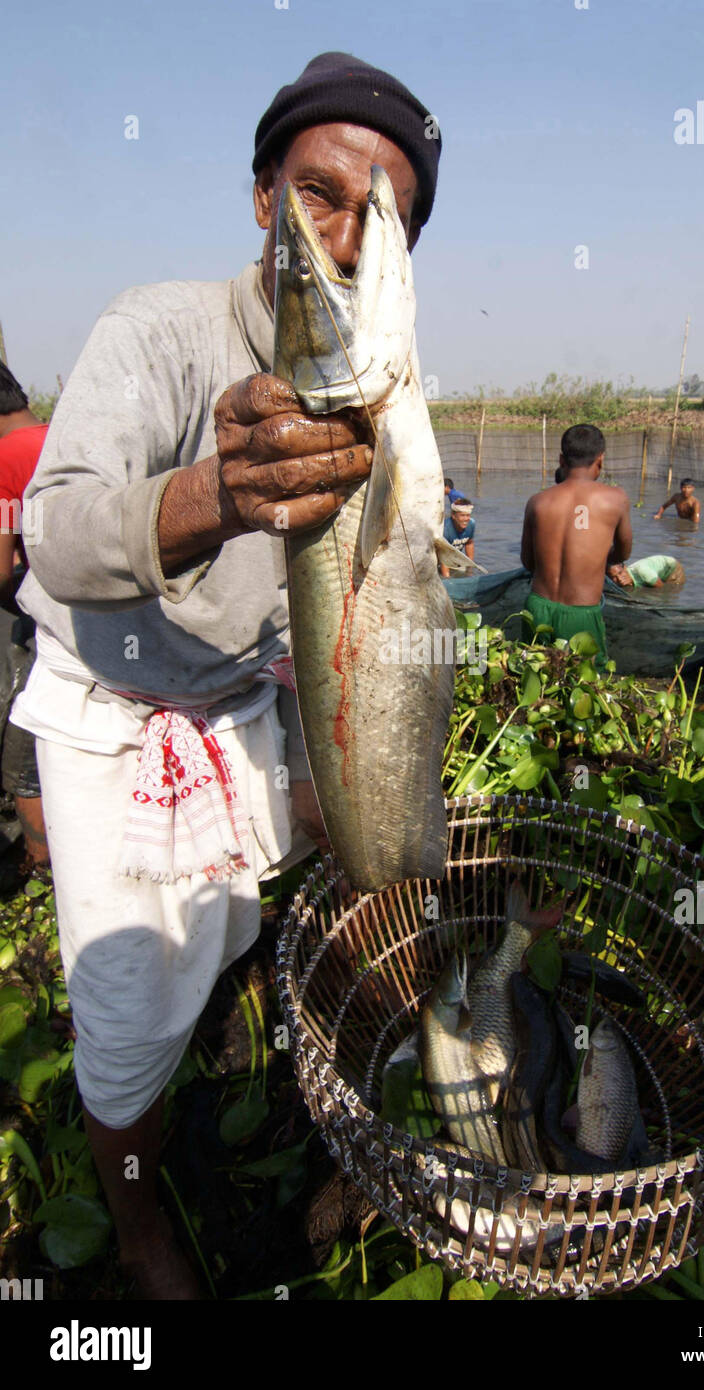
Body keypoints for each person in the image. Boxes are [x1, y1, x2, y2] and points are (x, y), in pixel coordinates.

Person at [10, 50, 442, 1299]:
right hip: (115, 711)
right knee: (134, 1023)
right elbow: (56, 530)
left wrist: (326, 757)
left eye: (382, 215)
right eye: (319, 194)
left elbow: (358, 616)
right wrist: (214, 494)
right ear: (263, 196)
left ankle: (297, 1072)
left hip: (249, 693)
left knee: (284, 900)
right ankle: (140, 1226)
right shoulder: (158, 328)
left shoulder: (397, 390)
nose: (347, 236)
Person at [520, 424, 632, 666]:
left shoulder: (537, 502)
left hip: (537, 606)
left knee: (532, 677)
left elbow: (528, 562)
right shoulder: (616, 499)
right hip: (581, 614)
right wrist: (600, 557)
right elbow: (624, 552)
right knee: (586, 687)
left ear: (561, 459)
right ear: (600, 460)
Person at [0, 364, 50, 867]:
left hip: (58, 627)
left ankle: (42, 871)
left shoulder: (3, 460)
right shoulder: (65, 434)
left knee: (25, 760)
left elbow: (0, 570)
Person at [438, 499, 475, 577]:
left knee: (464, 573)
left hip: (454, 559)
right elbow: (444, 557)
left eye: (468, 515)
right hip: (439, 560)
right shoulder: (445, 529)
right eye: (462, 515)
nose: (466, 519)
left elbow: (469, 543)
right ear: (454, 516)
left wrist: (470, 569)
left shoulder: (471, 524)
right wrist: (447, 579)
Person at [607, 555, 685, 589]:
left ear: (625, 568)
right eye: (614, 577)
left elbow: (661, 587)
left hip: (671, 567)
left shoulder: (643, 572)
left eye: (620, 573)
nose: (619, 579)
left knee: (673, 589)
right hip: (654, 570)